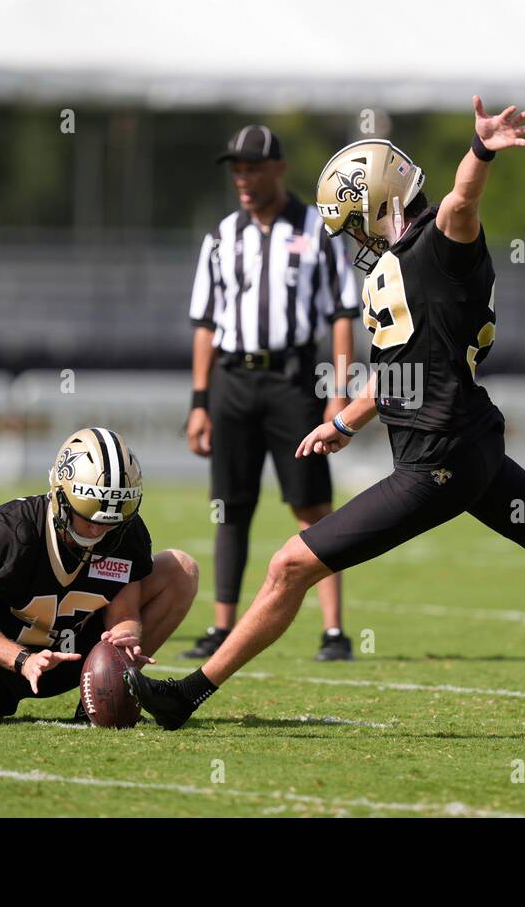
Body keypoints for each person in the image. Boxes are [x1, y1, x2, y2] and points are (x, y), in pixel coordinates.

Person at [127, 96, 525, 730]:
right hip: (467, 446)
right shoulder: (404, 264)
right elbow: (402, 369)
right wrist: (345, 421)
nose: (352, 236)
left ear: (382, 199)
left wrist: (480, 149)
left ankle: (187, 693)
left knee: (288, 566)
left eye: (354, 219)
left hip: (439, 460)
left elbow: (463, 201)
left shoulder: (441, 242)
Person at [0, 428, 197, 727]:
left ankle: (106, 695)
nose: (98, 529)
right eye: (88, 514)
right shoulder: (7, 531)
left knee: (181, 570)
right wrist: (21, 660)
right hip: (3, 654)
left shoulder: (126, 533)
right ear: (61, 496)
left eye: (112, 516)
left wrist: (127, 634)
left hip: (78, 652)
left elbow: (124, 612)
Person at [185, 125, 360, 661]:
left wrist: (338, 393)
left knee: (312, 505)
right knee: (230, 507)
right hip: (233, 381)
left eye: (252, 168)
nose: (243, 178)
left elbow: (342, 313)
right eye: (236, 168)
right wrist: (198, 401)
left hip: (294, 380)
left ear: (278, 169)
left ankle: (333, 631)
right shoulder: (222, 235)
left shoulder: (319, 229)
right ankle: (221, 627)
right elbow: (206, 322)